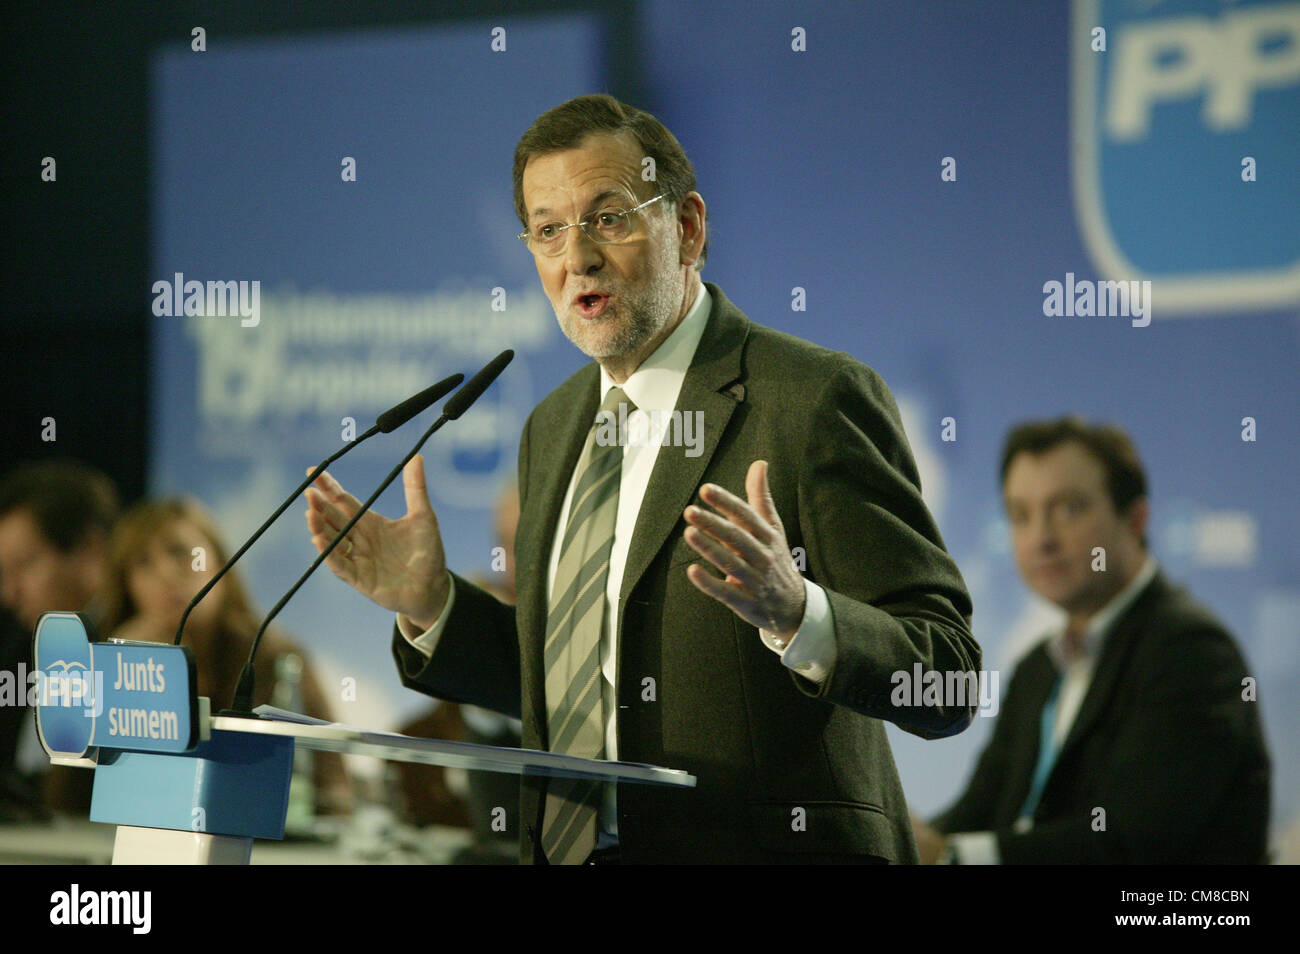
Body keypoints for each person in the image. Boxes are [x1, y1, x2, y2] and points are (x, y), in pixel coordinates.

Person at [304, 94, 979, 863]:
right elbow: (576, 687)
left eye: (609, 217)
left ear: (686, 227)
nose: (577, 258)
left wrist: (800, 615)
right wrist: (433, 606)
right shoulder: (553, 429)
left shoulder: (812, 400)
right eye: (549, 229)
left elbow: (949, 677)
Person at [913, 418, 1270, 864]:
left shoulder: (1192, 652)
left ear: (1136, 518)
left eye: (1068, 509)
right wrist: (904, 845)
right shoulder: (1037, 670)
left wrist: (954, 857)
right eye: (1021, 515)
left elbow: (1130, 843)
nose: (1041, 538)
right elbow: (978, 810)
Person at [98, 498, 353, 819]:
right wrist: (127, 673)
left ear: (220, 563)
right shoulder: (116, 659)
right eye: (143, 563)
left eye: (179, 552)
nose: (164, 573)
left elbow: (334, 794)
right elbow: (71, 797)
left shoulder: (278, 657)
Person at [0, 460, 120, 815]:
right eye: (3, 573)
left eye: (25, 564)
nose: (10, 593)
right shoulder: (17, 646)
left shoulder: (138, 651)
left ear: (90, 548)